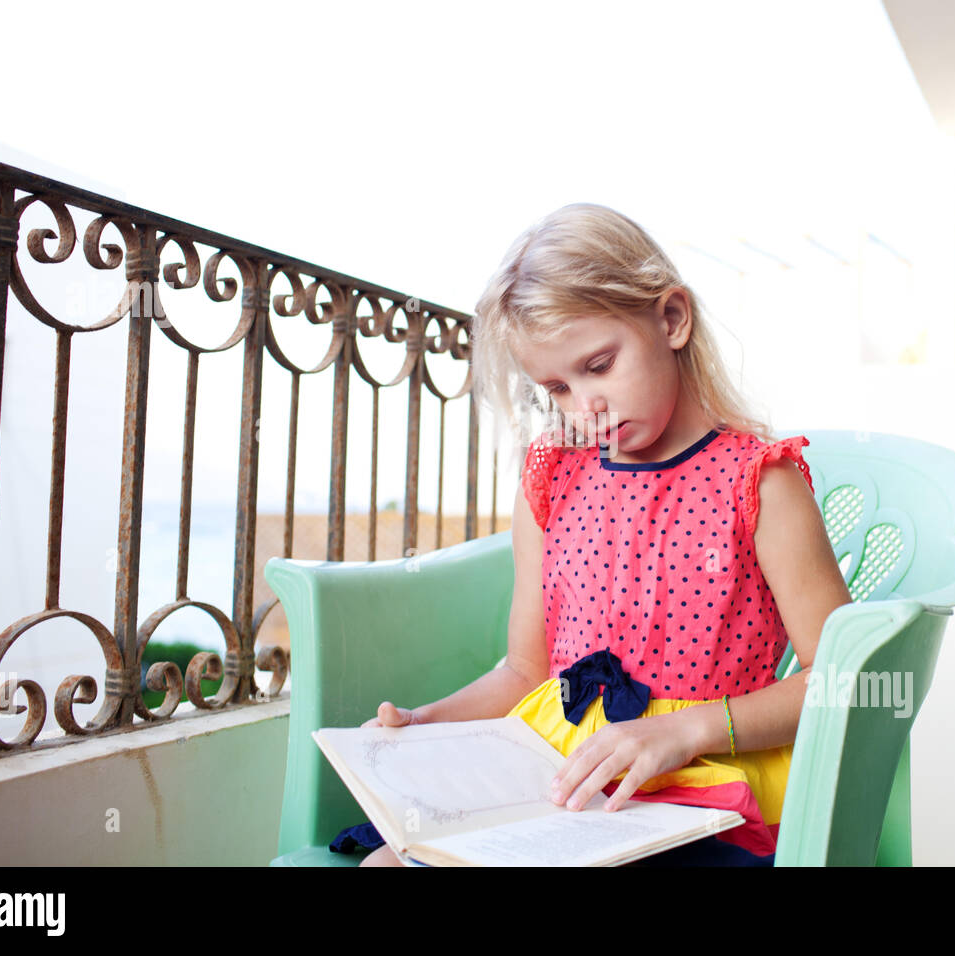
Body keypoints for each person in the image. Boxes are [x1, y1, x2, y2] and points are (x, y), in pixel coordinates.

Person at [355, 202, 852, 867]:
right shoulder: (553, 481)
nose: (584, 407)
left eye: (599, 365)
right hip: (562, 780)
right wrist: (424, 726)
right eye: (557, 387)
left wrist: (686, 728)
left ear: (671, 319)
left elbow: (841, 678)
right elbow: (527, 671)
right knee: (387, 864)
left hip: (696, 788)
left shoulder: (759, 484)